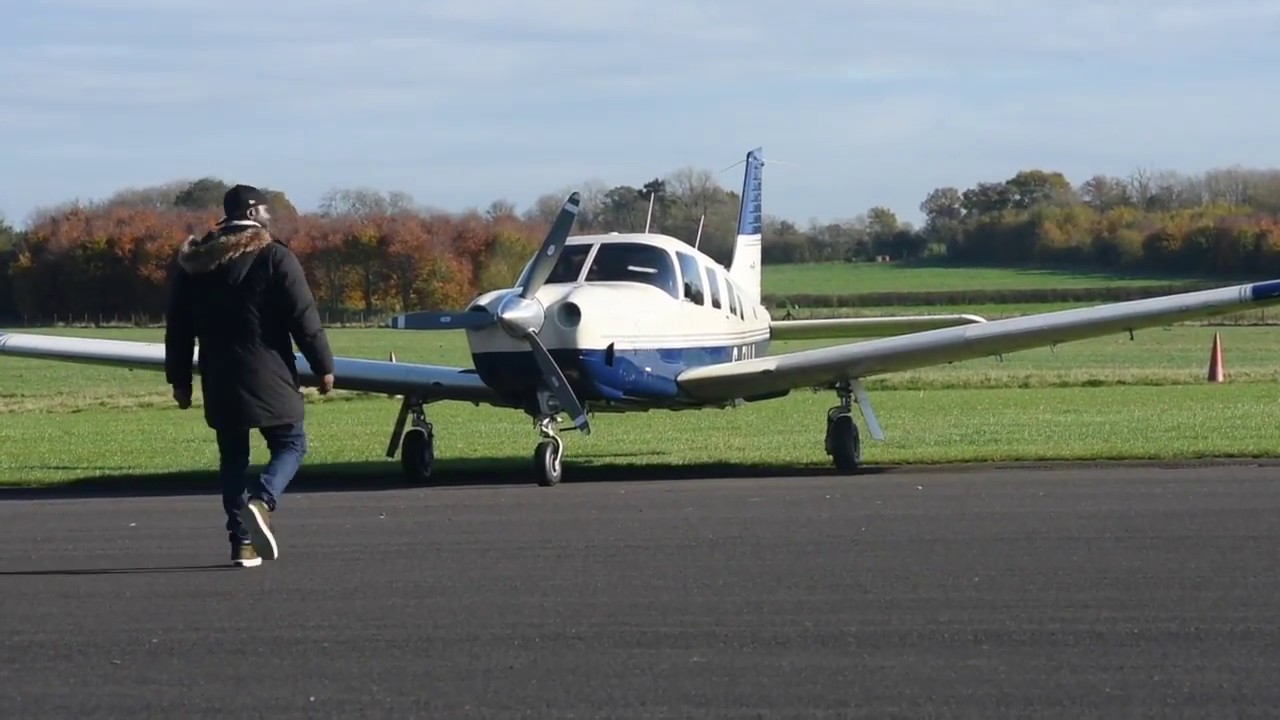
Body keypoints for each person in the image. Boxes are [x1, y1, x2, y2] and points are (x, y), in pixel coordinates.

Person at [164, 184, 336, 568]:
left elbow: (177, 328)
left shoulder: (195, 264)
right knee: (292, 444)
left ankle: (242, 544)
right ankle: (263, 498)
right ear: (255, 214)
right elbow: (304, 320)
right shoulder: (275, 257)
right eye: (267, 212)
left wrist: (180, 380)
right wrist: (323, 366)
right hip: (271, 375)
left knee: (233, 459)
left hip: (219, 378)